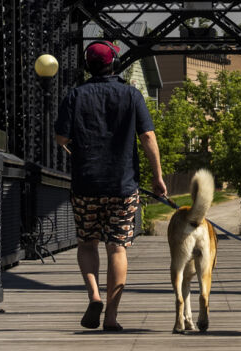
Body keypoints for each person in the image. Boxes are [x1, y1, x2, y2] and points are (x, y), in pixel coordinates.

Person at [53, 39, 167, 332]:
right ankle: (112, 317)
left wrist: (77, 153)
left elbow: (61, 139)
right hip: (122, 185)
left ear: (88, 66)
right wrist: (158, 177)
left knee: (87, 242)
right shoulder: (131, 95)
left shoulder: (75, 95)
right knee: (117, 249)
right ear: (115, 63)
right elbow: (148, 138)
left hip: (86, 183)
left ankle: (93, 295)